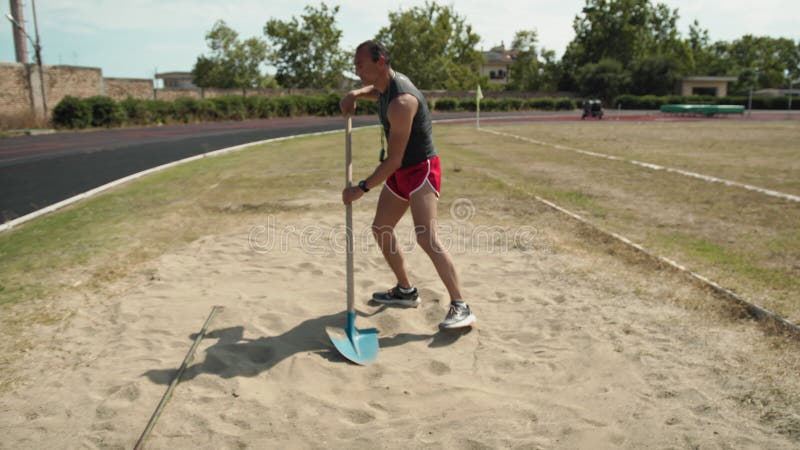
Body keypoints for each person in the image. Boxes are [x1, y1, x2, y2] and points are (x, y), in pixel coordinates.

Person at [339, 40, 475, 330]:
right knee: (381, 228)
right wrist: (354, 93)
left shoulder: (402, 102)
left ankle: (461, 306)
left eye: (360, 65)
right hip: (402, 171)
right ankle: (405, 290)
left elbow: (395, 160)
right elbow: (374, 90)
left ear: (380, 61)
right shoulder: (385, 85)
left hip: (420, 169)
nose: (357, 69)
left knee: (426, 237)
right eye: (355, 65)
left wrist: (360, 189)